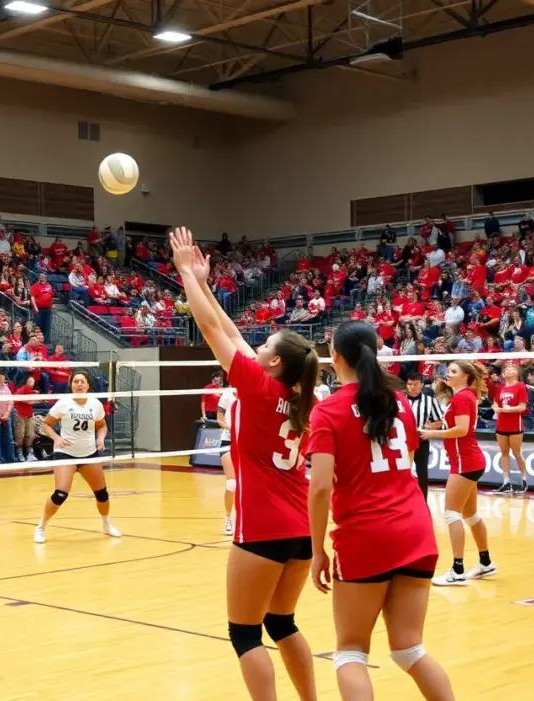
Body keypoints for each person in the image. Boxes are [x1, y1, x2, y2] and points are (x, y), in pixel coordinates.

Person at [169, 228, 318, 701]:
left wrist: (182, 273)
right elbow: (230, 330)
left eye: (266, 343)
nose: (257, 344)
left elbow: (214, 331)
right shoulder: (299, 398)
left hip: (262, 528)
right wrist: (202, 281)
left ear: (272, 362)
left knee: (245, 634)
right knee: (282, 622)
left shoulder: (257, 386)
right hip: (301, 529)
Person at [307, 320, 454, 701]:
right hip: (415, 528)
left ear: (333, 355)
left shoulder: (329, 410)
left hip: (367, 535)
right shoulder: (400, 401)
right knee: (409, 649)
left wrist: (317, 550)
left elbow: (320, 486)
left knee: (351, 652)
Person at [422, 360, 498, 585]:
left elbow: (462, 430)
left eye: (454, 371)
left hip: (465, 462)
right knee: (470, 515)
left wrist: (430, 434)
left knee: (451, 514)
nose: (448, 373)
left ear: (465, 377)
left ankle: (457, 570)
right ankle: (485, 563)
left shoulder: (463, 397)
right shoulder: (463, 397)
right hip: (469, 460)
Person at [34, 371, 117, 544]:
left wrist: (100, 439)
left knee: (102, 493)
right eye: (76, 381)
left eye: (82, 382)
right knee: (60, 494)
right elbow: (46, 424)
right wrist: (56, 438)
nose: (79, 384)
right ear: (71, 385)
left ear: (87, 385)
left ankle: (106, 524)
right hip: (66, 453)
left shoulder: (95, 404)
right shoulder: (63, 404)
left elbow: (102, 426)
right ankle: (41, 527)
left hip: (88, 453)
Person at [492, 364, 529, 495]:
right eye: (506, 368)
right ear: (503, 374)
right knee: (504, 453)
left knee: (517, 453)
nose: (508, 369)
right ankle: (506, 482)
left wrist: (508, 409)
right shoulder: (500, 388)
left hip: (515, 424)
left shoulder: (520, 386)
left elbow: (522, 407)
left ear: (517, 373)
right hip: (501, 423)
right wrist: (496, 407)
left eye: (512, 368)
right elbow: (495, 402)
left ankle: (524, 480)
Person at [405, 374, 443, 500]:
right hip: (402, 441)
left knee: (422, 472)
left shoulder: (430, 401)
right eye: (409, 384)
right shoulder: (400, 400)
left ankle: (423, 502)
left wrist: (429, 427)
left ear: (421, 385)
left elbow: (440, 422)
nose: (412, 387)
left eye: (415, 384)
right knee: (402, 472)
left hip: (421, 438)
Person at [215, 380, 237, 535]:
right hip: (228, 440)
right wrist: (232, 429)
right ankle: (228, 518)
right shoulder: (227, 395)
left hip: (246, 442)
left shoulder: (252, 393)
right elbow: (219, 418)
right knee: (232, 483)